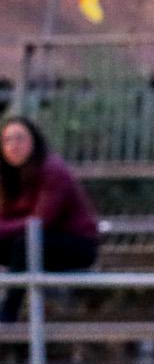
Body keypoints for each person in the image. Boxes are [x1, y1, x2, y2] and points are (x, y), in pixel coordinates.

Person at [0, 118, 100, 322]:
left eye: (19, 139)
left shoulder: (53, 170)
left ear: (33, 141)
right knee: (23, 245)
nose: (13, 145)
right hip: (32, 242)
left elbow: (41, 221)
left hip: (77, 244)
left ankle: (8, 314)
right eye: (7, 140)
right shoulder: (6, 174)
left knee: (25, 244)